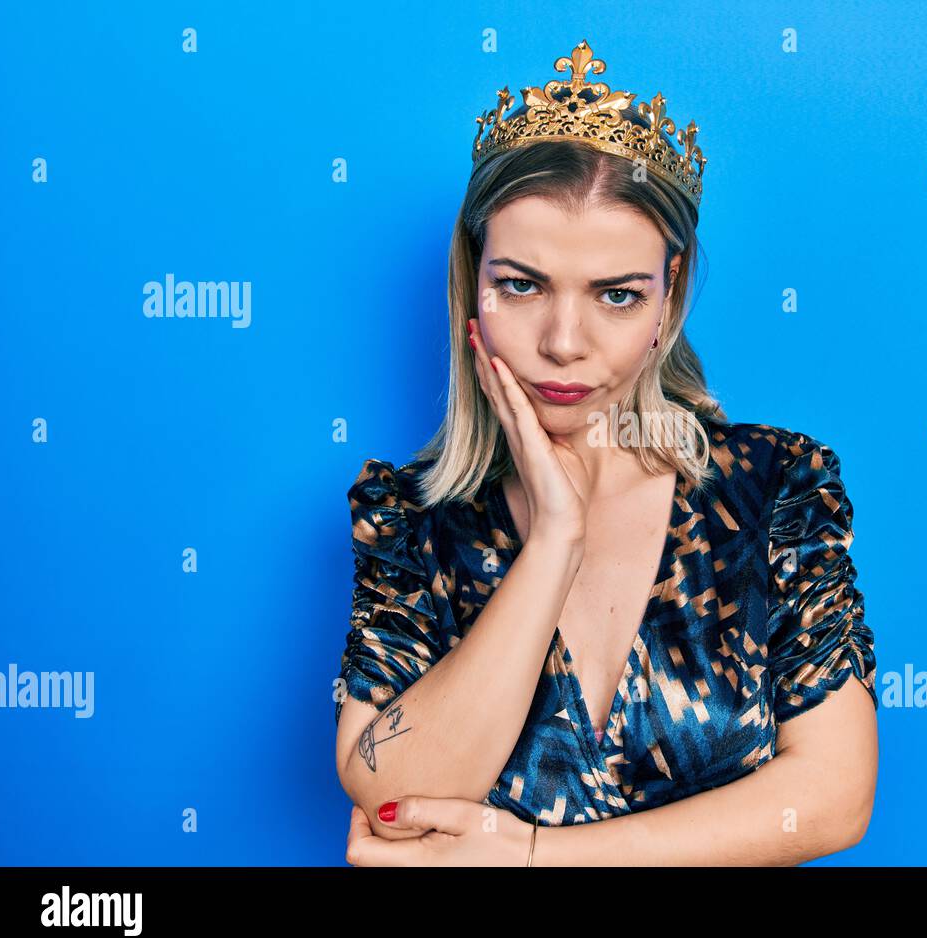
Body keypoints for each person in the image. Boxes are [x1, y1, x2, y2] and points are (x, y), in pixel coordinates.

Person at [334, 39, 878, 866]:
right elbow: (389, 790)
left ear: (670, 297)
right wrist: (555, 539)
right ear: (470, 285)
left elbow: (833, 799)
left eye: (617, 296)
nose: (562, 344)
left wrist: (531, 857)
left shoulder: (775, 488)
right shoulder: (413, 520)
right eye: (521, 285)